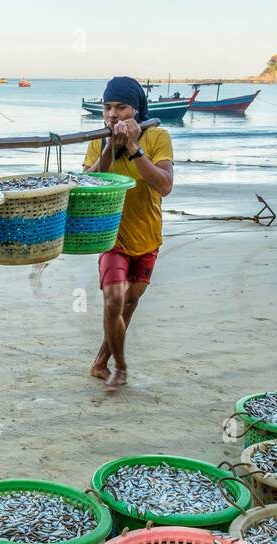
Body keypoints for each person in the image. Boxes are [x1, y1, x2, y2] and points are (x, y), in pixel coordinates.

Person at [84, 76, 174, 391]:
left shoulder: (158, 136)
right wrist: (110, 146)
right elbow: (89, 182)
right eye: (107, 107)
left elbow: (164, 185)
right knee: (113, 300)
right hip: (112, 235)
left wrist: (134, 148)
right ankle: (120, 367)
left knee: (129, 305)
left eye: (120, 107)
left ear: (135, 110)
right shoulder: (98, 139)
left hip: (147, 235)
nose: (112, 114)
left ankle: (100, 361)